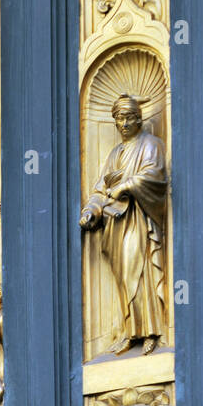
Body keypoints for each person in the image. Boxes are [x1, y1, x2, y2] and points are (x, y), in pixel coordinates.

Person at [79, 94, 168, 355]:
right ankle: (131, 331)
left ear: (139, 118)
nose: (125, 122)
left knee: (138, 273)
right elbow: (100, 189)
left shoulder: (150, 144)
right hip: (115, 225)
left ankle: (151, 330)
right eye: (120, 118)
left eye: (129, 117)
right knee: (122, 278)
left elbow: (155, 175)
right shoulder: (115, 154)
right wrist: (91, 210)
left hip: (139, 220)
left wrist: (127, 186)